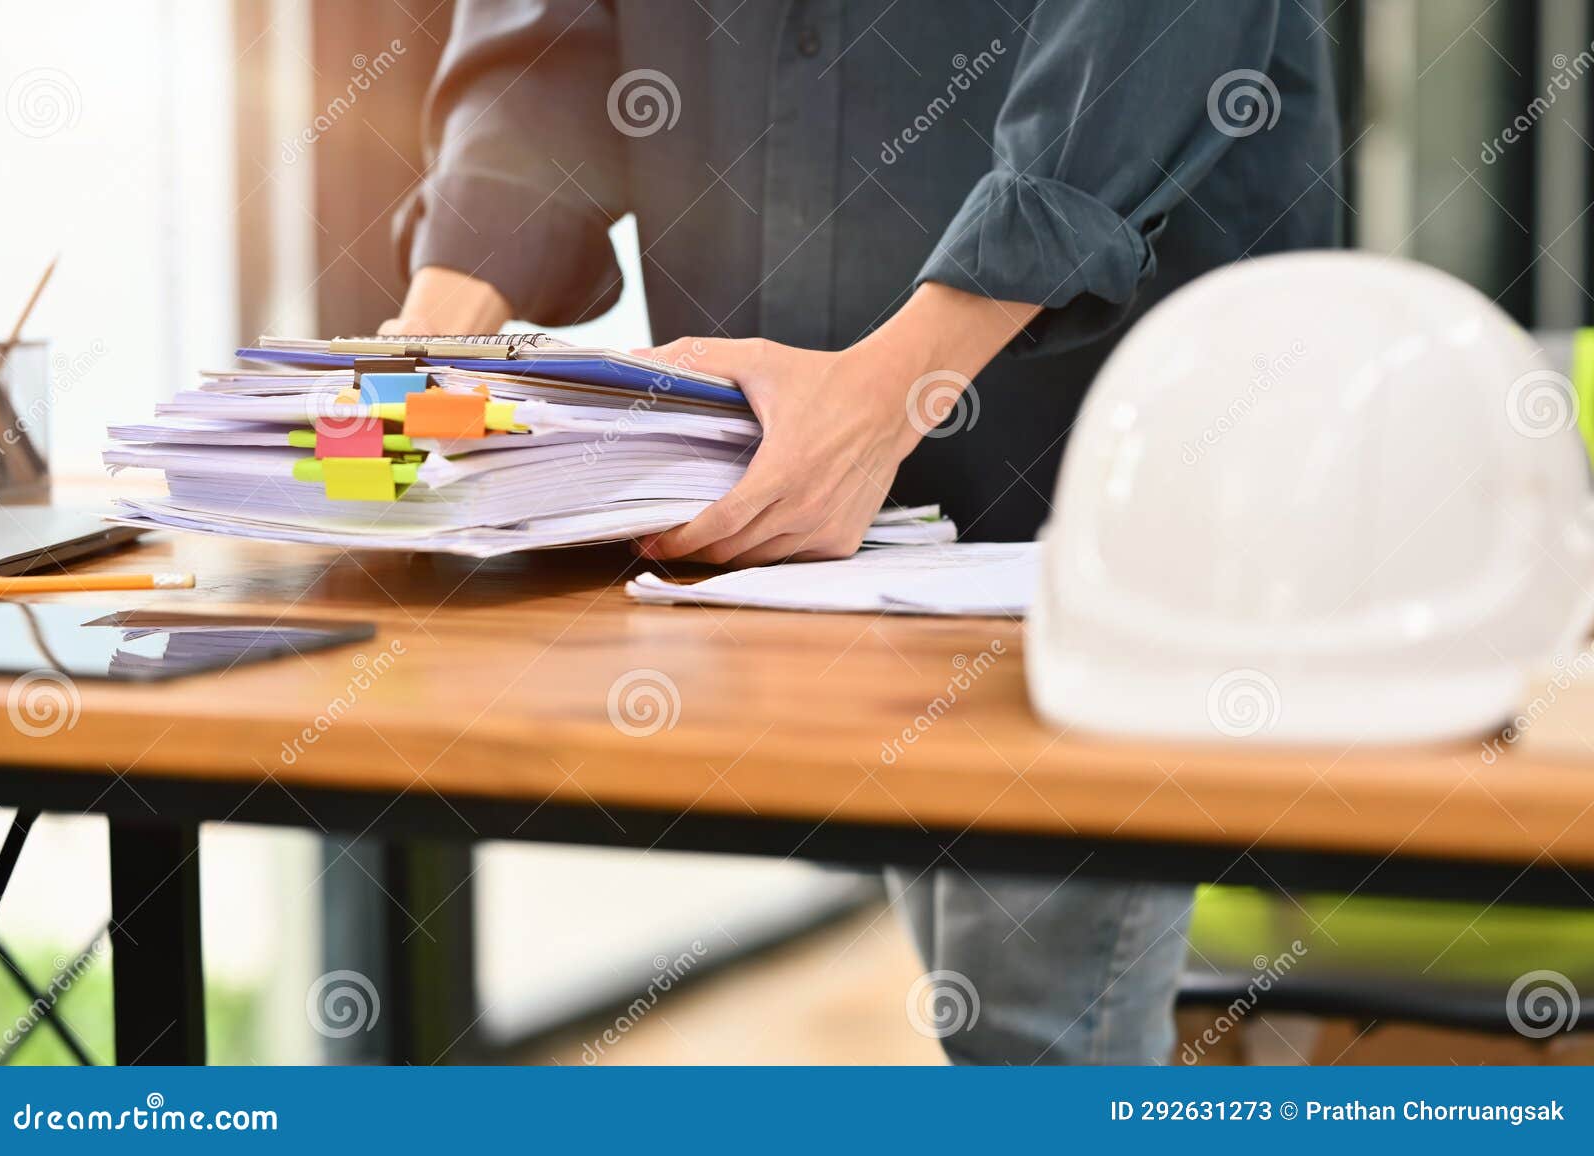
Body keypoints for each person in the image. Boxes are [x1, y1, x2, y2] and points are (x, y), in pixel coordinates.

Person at [385, 0, 1339, 1063]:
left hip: (1083, 425)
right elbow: (549, 56)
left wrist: (894, 389)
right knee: (987, 989)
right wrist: (424, 348)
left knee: (1033, 1026)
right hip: (823, 489)